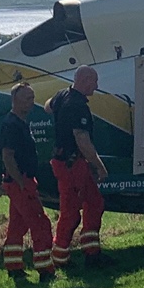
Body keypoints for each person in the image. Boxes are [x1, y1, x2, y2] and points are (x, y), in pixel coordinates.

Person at [47, 66, 107, 265]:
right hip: (70, 164)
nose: (97, 86)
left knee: (94, 202)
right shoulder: (77, 105)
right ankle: (60, 257)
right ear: (84, 80)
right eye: (94, 81)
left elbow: (48, 106)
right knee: (71, 213)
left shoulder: (63, 94)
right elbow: (82, 139)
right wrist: (99, 165)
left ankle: (92, 251)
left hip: (71, 162)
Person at [0, 81, 55, 278]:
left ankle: (14, 267)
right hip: (20, 182)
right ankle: (45, 268)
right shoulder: (12, 125)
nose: (32, 103)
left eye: (32, 98)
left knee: (17, 226)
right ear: (15, 101)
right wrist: (21, 183)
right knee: (40, 224)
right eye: (27, 99)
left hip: (20, 181)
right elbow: (8, 155)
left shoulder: (19, 122)